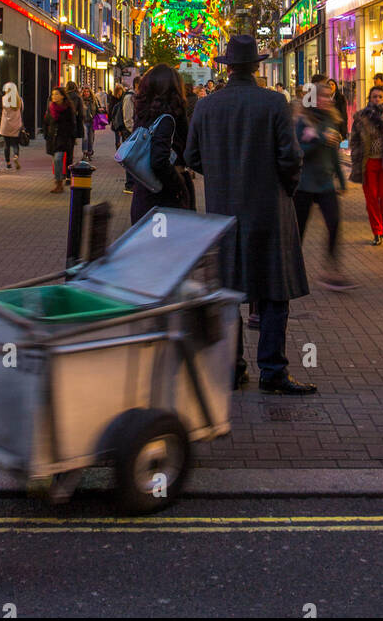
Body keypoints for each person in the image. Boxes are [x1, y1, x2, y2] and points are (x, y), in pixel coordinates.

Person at [186, 34, 315, 396]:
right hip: (269, 208)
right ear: (256, 66)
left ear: (228, 68)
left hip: (223, 210)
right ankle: (272, 370)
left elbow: (191, 155)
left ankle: (231, 367)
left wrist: (220, 176)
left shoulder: (207, 106)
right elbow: (290, 156)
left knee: (228, 291)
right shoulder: (273, 102)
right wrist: (285, 189)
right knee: (274, 292)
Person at [294, 80, 354, 291]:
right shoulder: (303, 122)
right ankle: (293, 269)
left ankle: (333, 270)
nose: (328, 100)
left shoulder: (331, 120)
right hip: (304, 184)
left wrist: (341, 178)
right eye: (323, 96)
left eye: (329, 96)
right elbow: (300, 152)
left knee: (334, 224)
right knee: (299, 229)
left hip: (325, 184)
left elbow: (333, 154)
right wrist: (319, 139)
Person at [128, 65, 195, 225]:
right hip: (165, 197)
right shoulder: (168, 118)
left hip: (145, 189)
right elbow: (159, 160)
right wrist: (178, 184)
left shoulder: (144, 114)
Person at [349, 83, 383, 246]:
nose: (377, 99)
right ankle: (377, 231)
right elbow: (355, 139)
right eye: (374, 97)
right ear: (369, 99)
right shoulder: (361, 116)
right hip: (368, 163)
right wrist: (355, 157)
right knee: (371, 198)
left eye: (380, 97)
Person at [43, 86, 76, 193]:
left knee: (58, 159)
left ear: (62, 96)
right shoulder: (51, 107)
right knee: (55, 161)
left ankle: (59, 182)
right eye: (53, 94)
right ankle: (58, 182)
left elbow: (72, 123)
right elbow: (46, 122)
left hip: (63, 137)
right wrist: (46, 134)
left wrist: (71, 137)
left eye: (57, 94)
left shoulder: (68, 108)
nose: (54, 96)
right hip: (53, 137)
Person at [0, 82, 24, 169]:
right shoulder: (19, 100)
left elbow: (0, 110)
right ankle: (15, 156)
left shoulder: (3, 99)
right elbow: (22, 110)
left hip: (6, 125)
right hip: (16, 124)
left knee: (7, 145)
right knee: (15, 144)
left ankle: (8, 162)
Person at [79, 85, 97, 161]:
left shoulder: (93, 100)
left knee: (91, 138)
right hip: (84, 121)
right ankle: (85, 153)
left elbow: (97, 109)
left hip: (92, 121)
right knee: (85, 138)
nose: (86, 93)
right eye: (85, 91)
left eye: (88, 91)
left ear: (90, 92)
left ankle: (90, 153)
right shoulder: (81, 100)